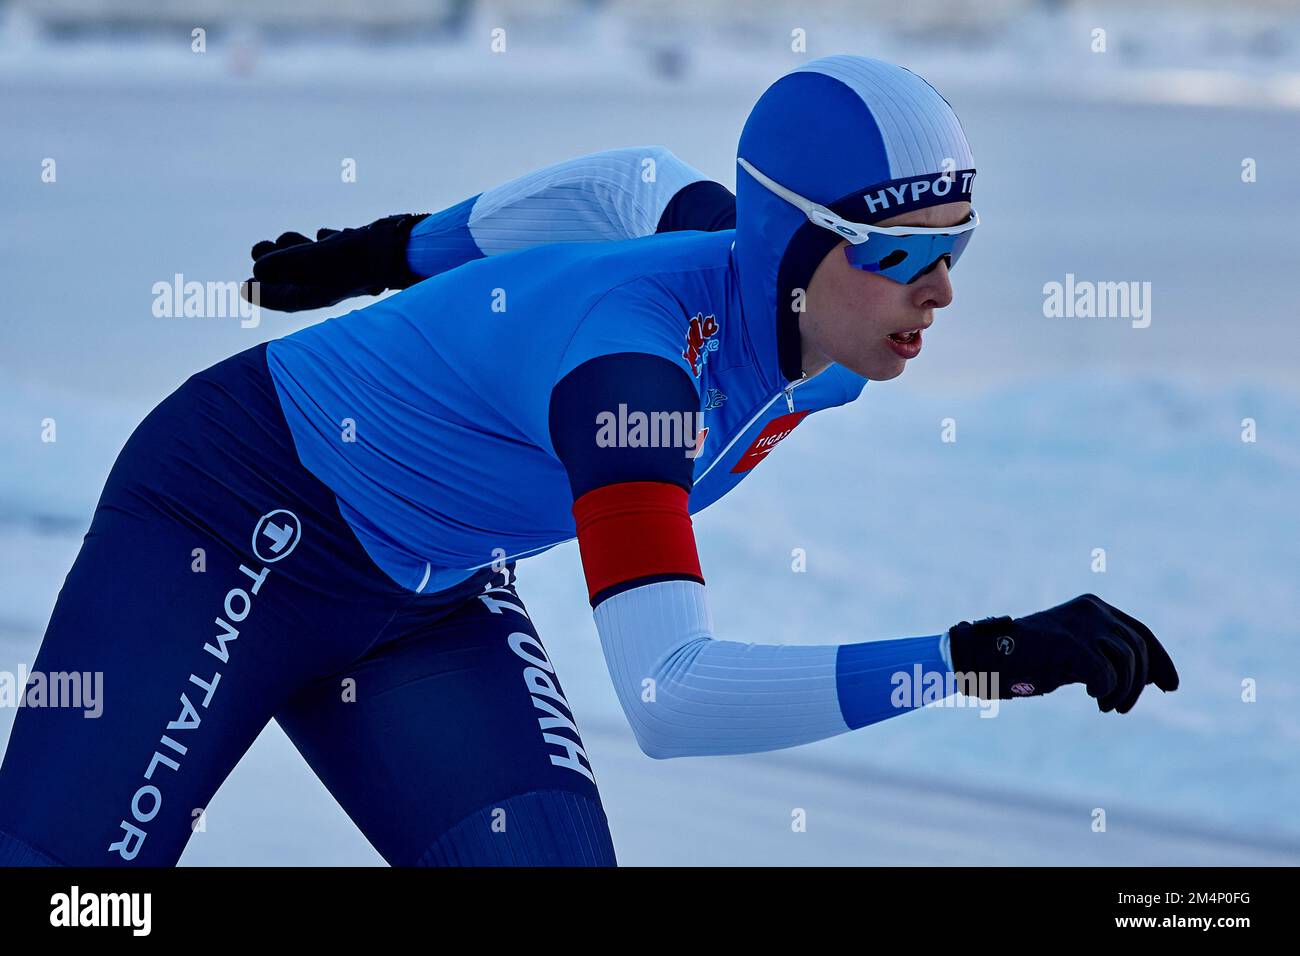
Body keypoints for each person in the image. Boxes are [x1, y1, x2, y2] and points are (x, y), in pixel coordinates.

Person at [0, 55, 1178, 868]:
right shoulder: (632, 378)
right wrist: (973, 661)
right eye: (893, 249)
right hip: (230, 519)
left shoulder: (797, 311)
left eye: (955, 244)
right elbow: (671, 693)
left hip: (428, 591)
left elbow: (619, 181)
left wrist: (386, 249)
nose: (939, 289)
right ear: (793, 246)